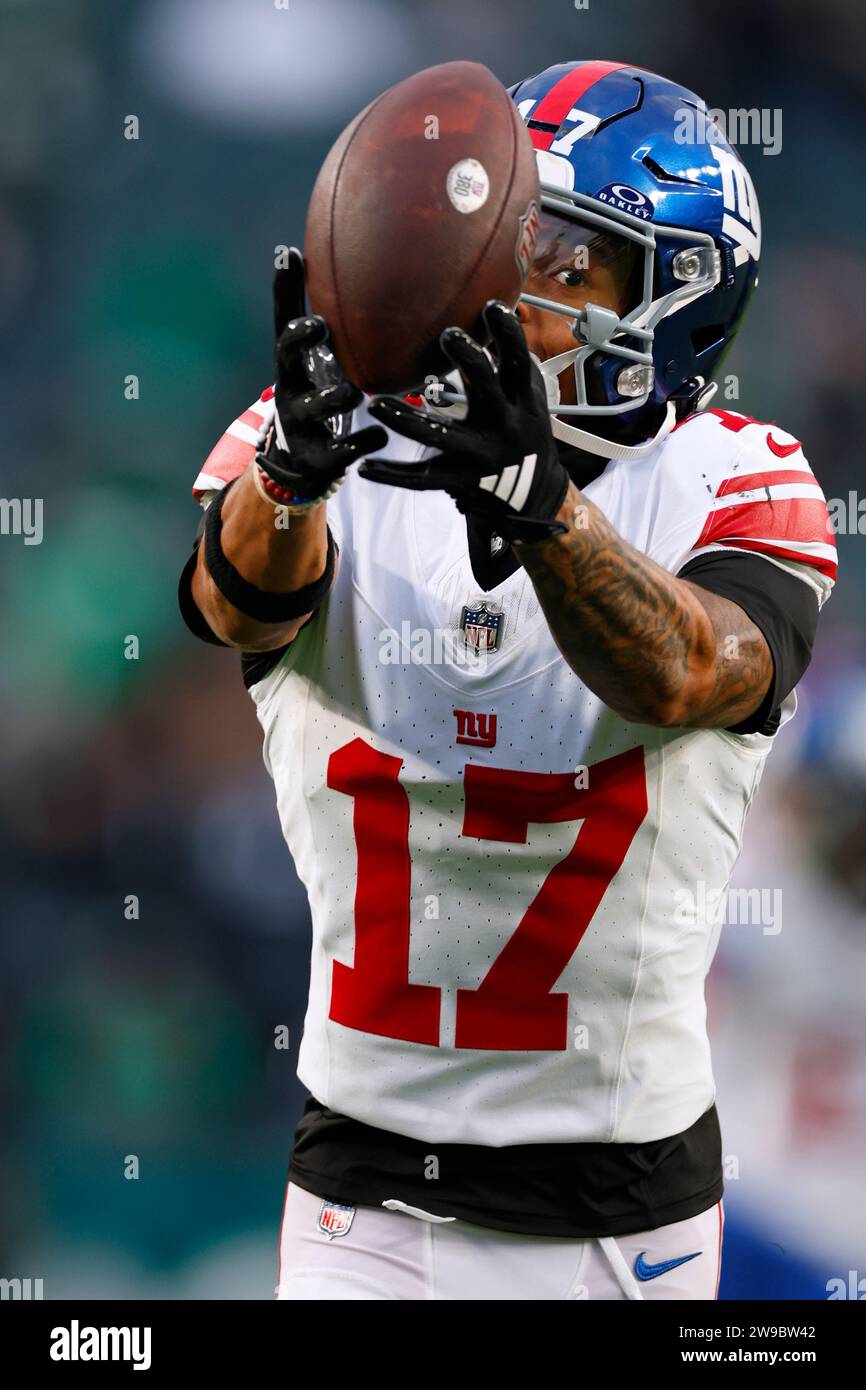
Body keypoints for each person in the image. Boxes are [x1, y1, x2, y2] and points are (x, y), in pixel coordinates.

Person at [179, 60, 836, 1300]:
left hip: (626, 1216)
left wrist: (543, 516)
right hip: (362, 1190)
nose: (509, 289)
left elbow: (691, 668)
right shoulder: (332, 443)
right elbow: (233, 605)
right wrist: (290, 475)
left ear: (675, 298)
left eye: (566, 260)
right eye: (507, 240)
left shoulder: (735, 480)